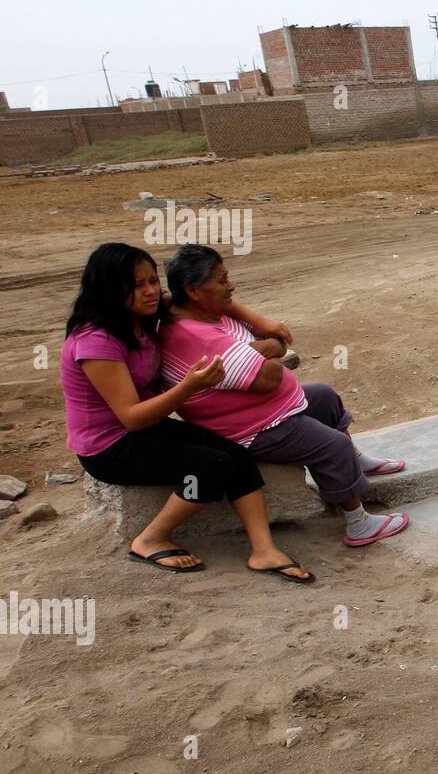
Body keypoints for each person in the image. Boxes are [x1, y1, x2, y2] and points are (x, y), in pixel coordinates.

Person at [61, 242, 309, 581]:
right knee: (211, 467)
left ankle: (263, 550)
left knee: (234, 453)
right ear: (109, 289)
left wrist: (260, 321)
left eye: (153, 281)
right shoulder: (96, 341)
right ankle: (150, 539)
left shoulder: (145, 311)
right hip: (108, 446)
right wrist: (189, 387)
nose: (150, 291)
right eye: (137, 285)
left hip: (148, 427)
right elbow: (131, 417)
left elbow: (207, 298)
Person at [159, 244, 409, 548]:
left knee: (324, 397)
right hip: (253, 428)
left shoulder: (192, 309)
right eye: (222, 281)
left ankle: (355, 462)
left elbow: (272, 349)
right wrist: (268, 347)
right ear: (194, 290)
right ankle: (359, 523)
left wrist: (258, 350)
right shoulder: (199, 336)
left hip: (269, 408)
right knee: (332, 445)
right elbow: (270, 376)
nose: (231, 286)